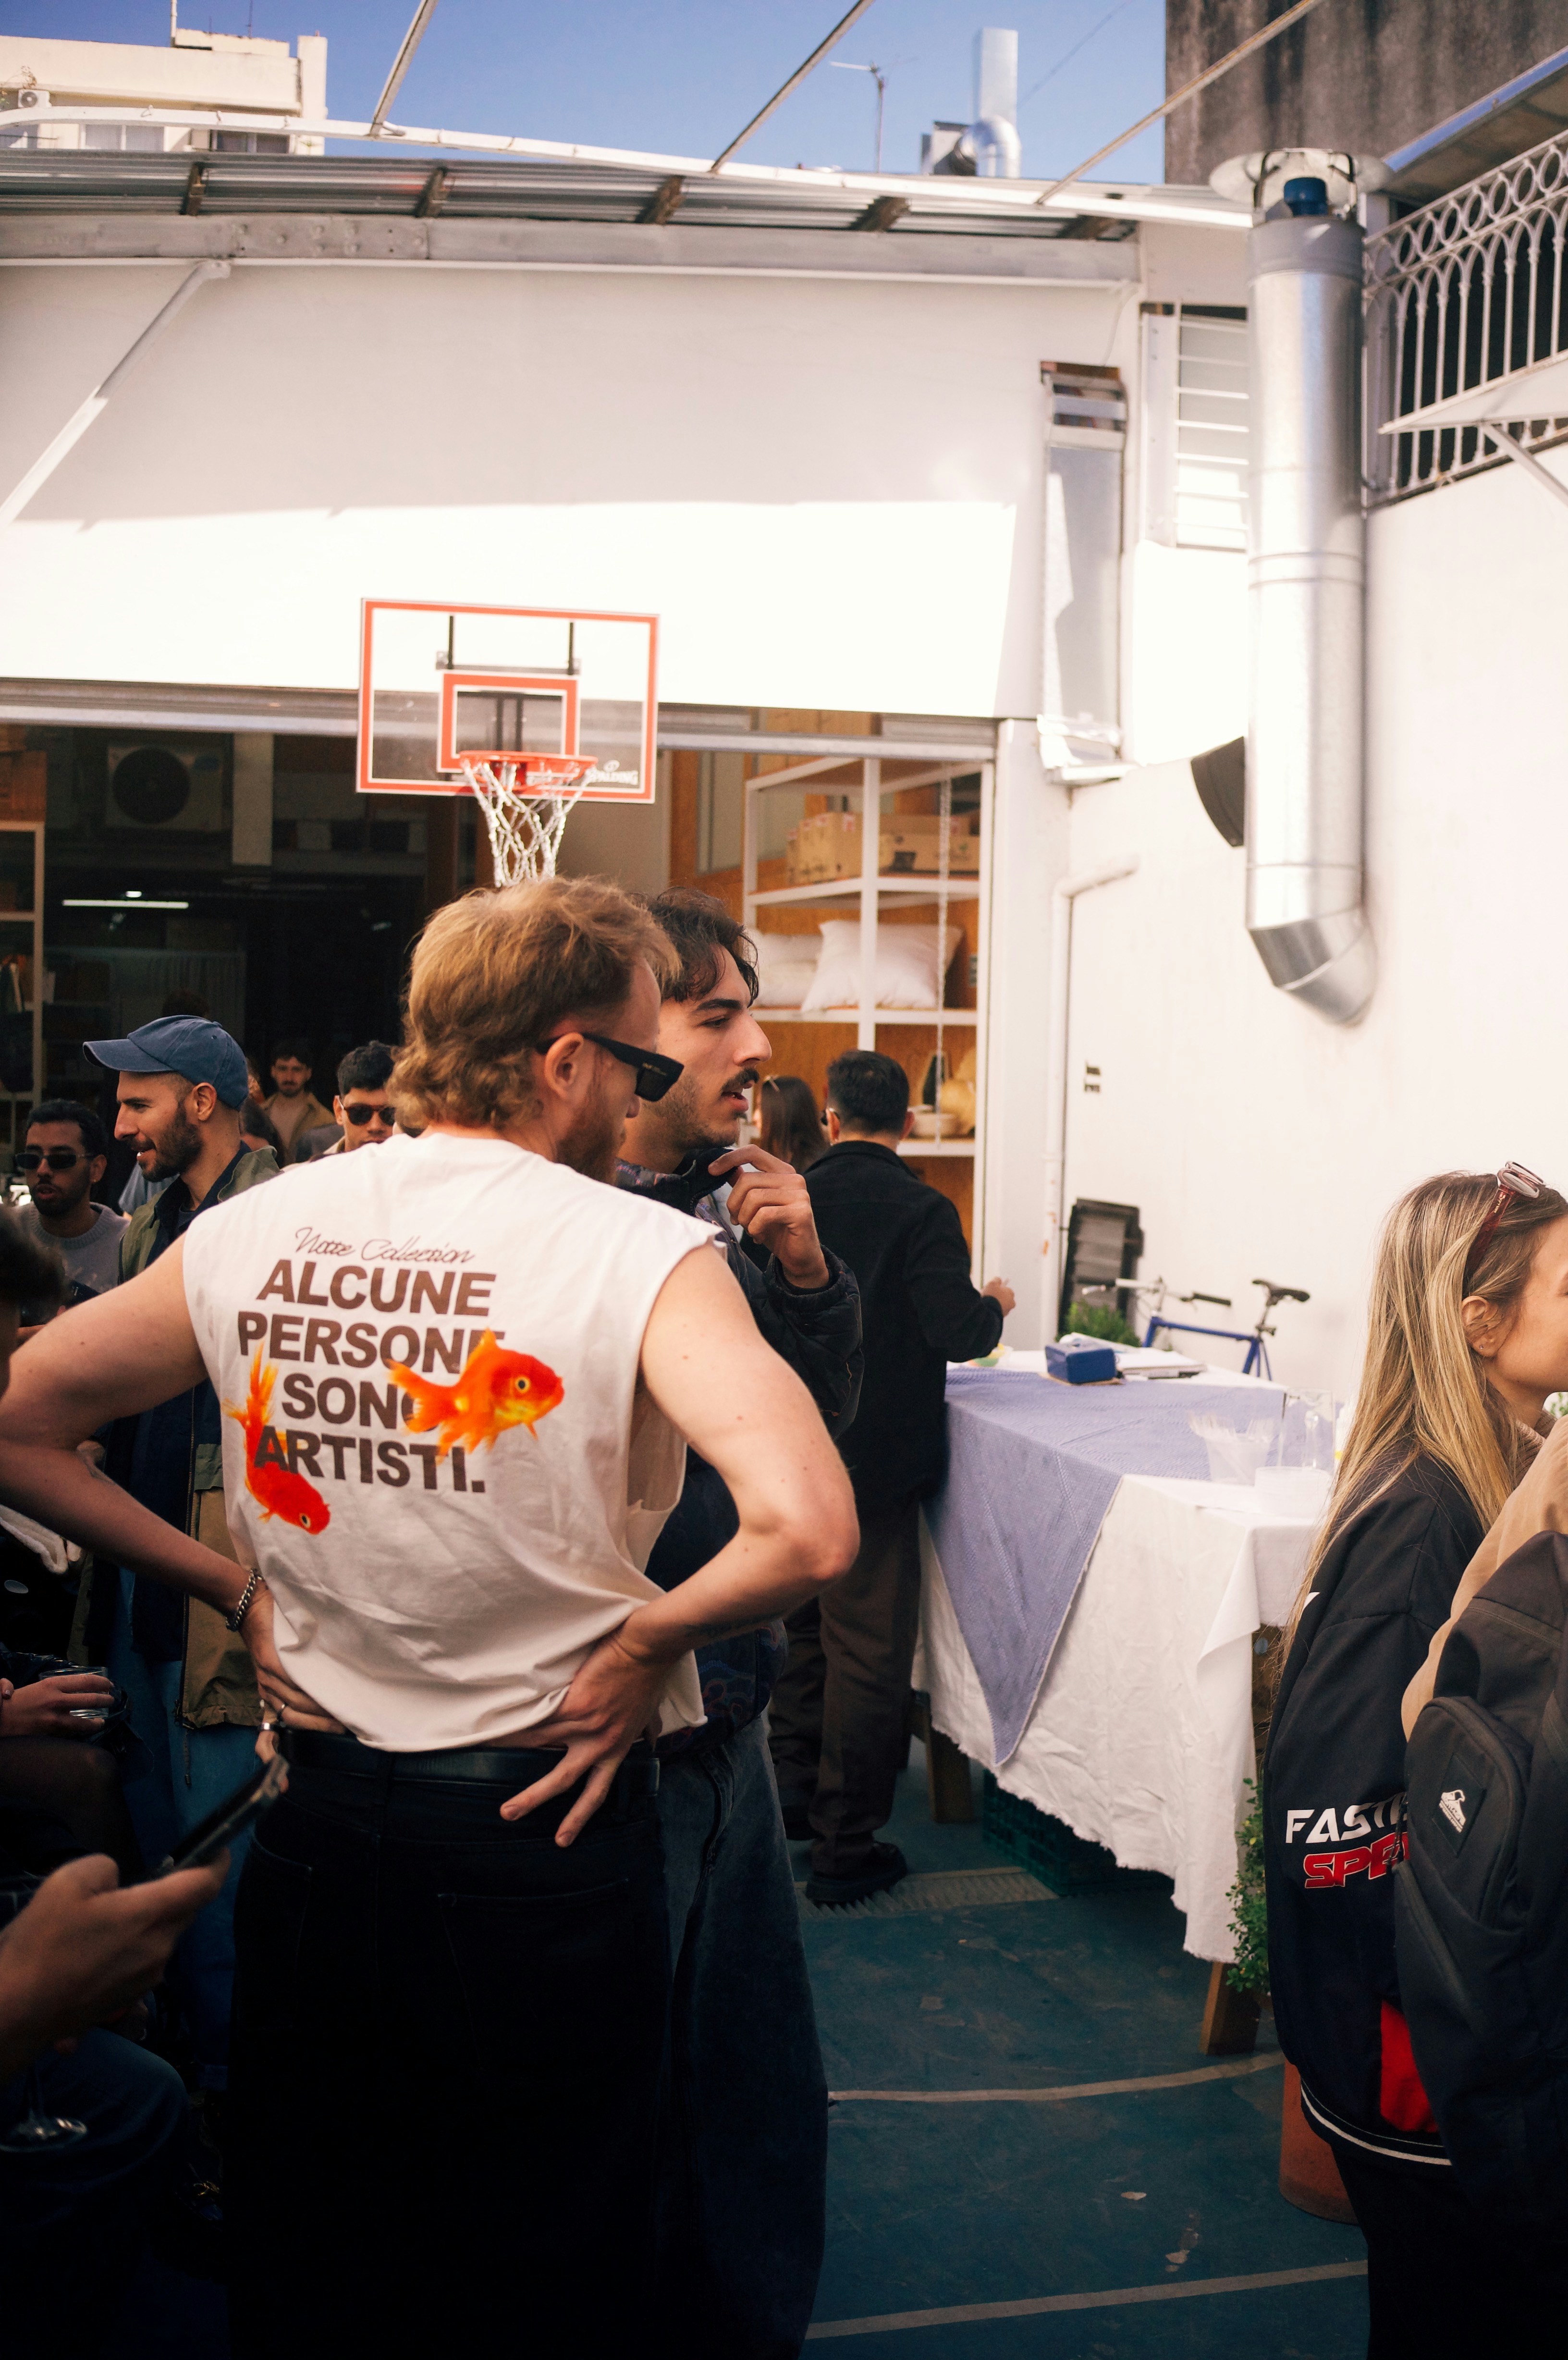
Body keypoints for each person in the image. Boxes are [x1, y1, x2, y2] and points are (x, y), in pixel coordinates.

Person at [0, 876, 859, 2356]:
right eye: (640, 1066)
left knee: (327, 2236)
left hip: (319, 1823)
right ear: (566, 1060)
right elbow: (810, 1522)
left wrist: (232, 1583)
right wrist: (648, 1638)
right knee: (554, 2247)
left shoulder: (266, 1223)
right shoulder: (635, 1250)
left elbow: (22, 1418)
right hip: (539, 1827)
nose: (644, 1097)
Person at [617, 886, 862, 2360]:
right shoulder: (569, 1235)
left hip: (730, 1716)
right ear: (614, 1036)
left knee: (753, 2078)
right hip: (625, 1727)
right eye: (717, 1013)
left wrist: (807, 1279)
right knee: (629, 2093)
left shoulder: (728, 1214)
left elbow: (808, 1448)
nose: (757, 1042)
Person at [1264, 1167, 1568, 2356]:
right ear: (1478, 1322)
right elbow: (1338, 1828)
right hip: (1423, 2055)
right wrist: (1458, 2027)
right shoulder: (1421, 1518)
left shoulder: (1511, 1461)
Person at [82, 1016, 281, 2102]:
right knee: (161, 1838)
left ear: (203, 1100)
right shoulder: (148, 1216)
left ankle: (232, 2109)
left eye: (138, 1103)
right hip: (143, 1562)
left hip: (223, 1556)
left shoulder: (283, 1215)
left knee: (219, 1875)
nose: (122, 1127)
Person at [772, 1047, 1013, 1905]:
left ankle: (791, 1801)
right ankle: (845, 1845)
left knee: (802, 1632)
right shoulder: (922, 1208)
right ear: (907, 1123)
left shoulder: (788, 1197)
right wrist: (994, 1304)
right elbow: (957, 1331)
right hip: (872, 1468)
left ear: (829, 1119)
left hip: (779, 1455)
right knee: (868, 1652)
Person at [12, 1100, 127, 1322]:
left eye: (61, 1159)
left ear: (96, 1169)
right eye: (31, 1159)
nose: (43, 1170)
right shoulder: (9, 1233)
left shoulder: (129, 1245)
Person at [301, 1039, 399, 1160]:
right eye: (360, 1113)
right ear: (338, 1111)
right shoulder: (310, 1176)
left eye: (389, 1114)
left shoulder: (426, 1175)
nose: (375, 1126)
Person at [259, 1038, 331, 1160]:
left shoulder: (324, 1119)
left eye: (297, 1070)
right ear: (273, 1071)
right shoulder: (260, 1113)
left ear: (309, 1073)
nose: (289, 1077)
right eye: (283, 1069)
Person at [758, 1072, 827, 1173]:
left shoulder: (816, 1168)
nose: (755, 1118)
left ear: (781, 1113)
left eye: (760, 1108)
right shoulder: (777, 1157)